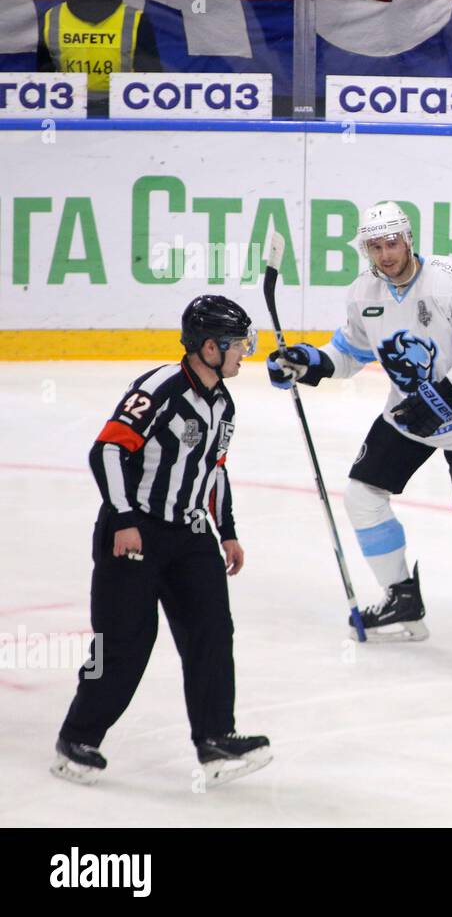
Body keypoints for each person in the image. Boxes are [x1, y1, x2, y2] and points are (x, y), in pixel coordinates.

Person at [267, 202, 452, 641]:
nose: (386, 254)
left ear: (409, 239)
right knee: (362, 495)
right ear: (366, 250)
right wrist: (307, 361)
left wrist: (440, 398)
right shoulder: (363, 293)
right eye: (376, 246)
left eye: (392, 242)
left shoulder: (451, 279)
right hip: (408, 415)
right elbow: (349, 353)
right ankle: (401, 596)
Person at [53, 295, 270, 786]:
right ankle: (78, 738)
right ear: (210, 347)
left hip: (191, 535)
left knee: (211, 631)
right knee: (126, 641)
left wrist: (228, 531)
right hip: (135, 532)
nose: (244, 353)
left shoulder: (223, 402)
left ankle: (215, 739)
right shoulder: (160, 388)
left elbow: (214, 471)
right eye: (237, 345)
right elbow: (106, 450)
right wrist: (124, 517)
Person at [38, 0, 161, 117]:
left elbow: (41, 80)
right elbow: (153, 80)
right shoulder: (135, 20)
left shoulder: (52, 18)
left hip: (67, 119)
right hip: (124, 120)